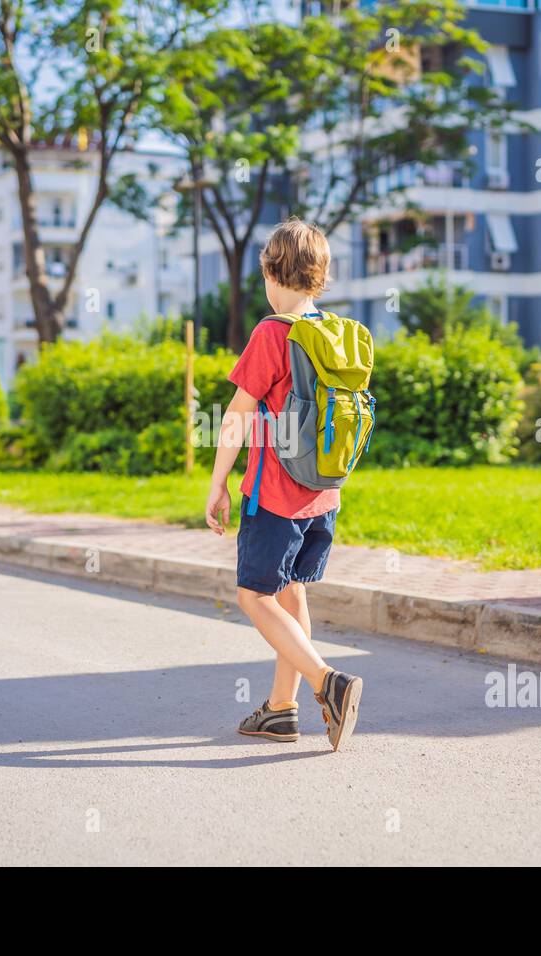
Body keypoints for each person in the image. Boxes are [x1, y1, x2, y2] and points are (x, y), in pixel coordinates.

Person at [204, 218, 364, 751]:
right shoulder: (334, 335)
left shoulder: (273, 333)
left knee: (253, 595)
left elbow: (237, 415)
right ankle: (280, 710)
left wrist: (218, 482)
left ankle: (327, 683)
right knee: (291, 592)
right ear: (319, 277)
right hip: (322, 493)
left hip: (272, 493)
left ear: (272, 274)